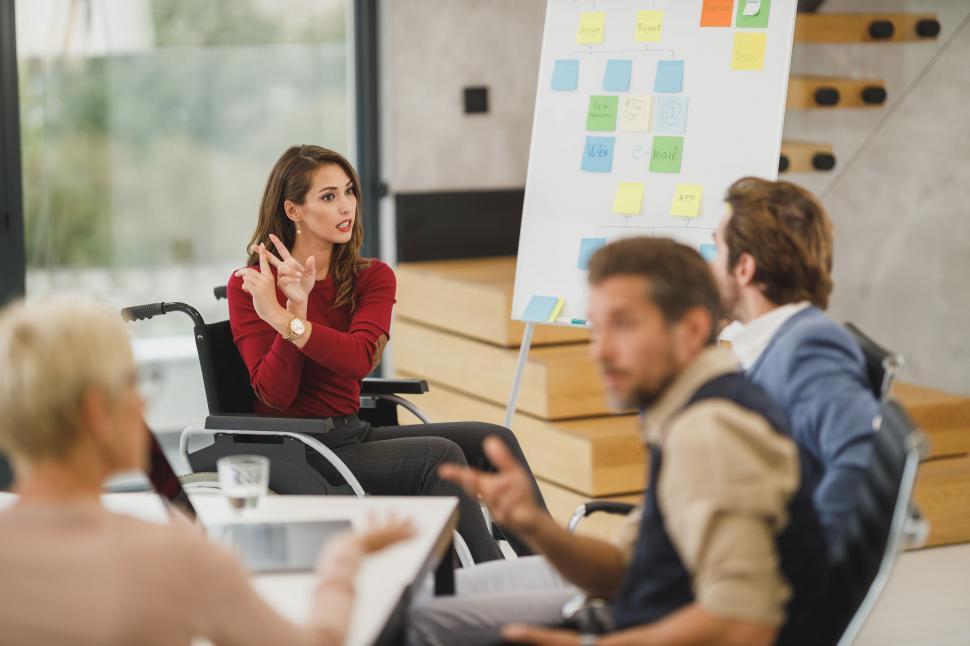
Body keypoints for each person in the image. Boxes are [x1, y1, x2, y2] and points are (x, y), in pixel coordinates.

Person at [409, 238, 827, 646]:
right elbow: (621, 569)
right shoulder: (689, 409)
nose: (600, 352)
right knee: (418, 598)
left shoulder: (709, 432)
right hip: (636, 604)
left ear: (693, 328)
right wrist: (533, 525)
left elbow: (743, 627)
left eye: (624, 325)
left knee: (416, 622)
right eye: (596, 327)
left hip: (641, 625)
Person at [0, 296, 413, 646]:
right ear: (95, 413)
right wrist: (342, 558)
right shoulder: (172, 557)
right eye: (131, 384)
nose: (142, 404)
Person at [228, 144, 546, 563]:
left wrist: (290, 321)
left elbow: (360, 358)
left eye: (349, 192)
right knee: (440, 456)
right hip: (299, 449)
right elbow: (276, 396)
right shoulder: (251, 285)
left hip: (350, 433)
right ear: (293, 210)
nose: (347, 207)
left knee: (493, 441)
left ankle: (554, 570)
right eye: (328, 197)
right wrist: (291, 310)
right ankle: (490, 583)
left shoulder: (372, 277)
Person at [710, 176, 880, 560]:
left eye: (717, 248)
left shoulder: (808, 346)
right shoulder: (768, 341)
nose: (709, 263)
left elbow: (862, 454)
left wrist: (802, 567)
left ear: (744, 268)